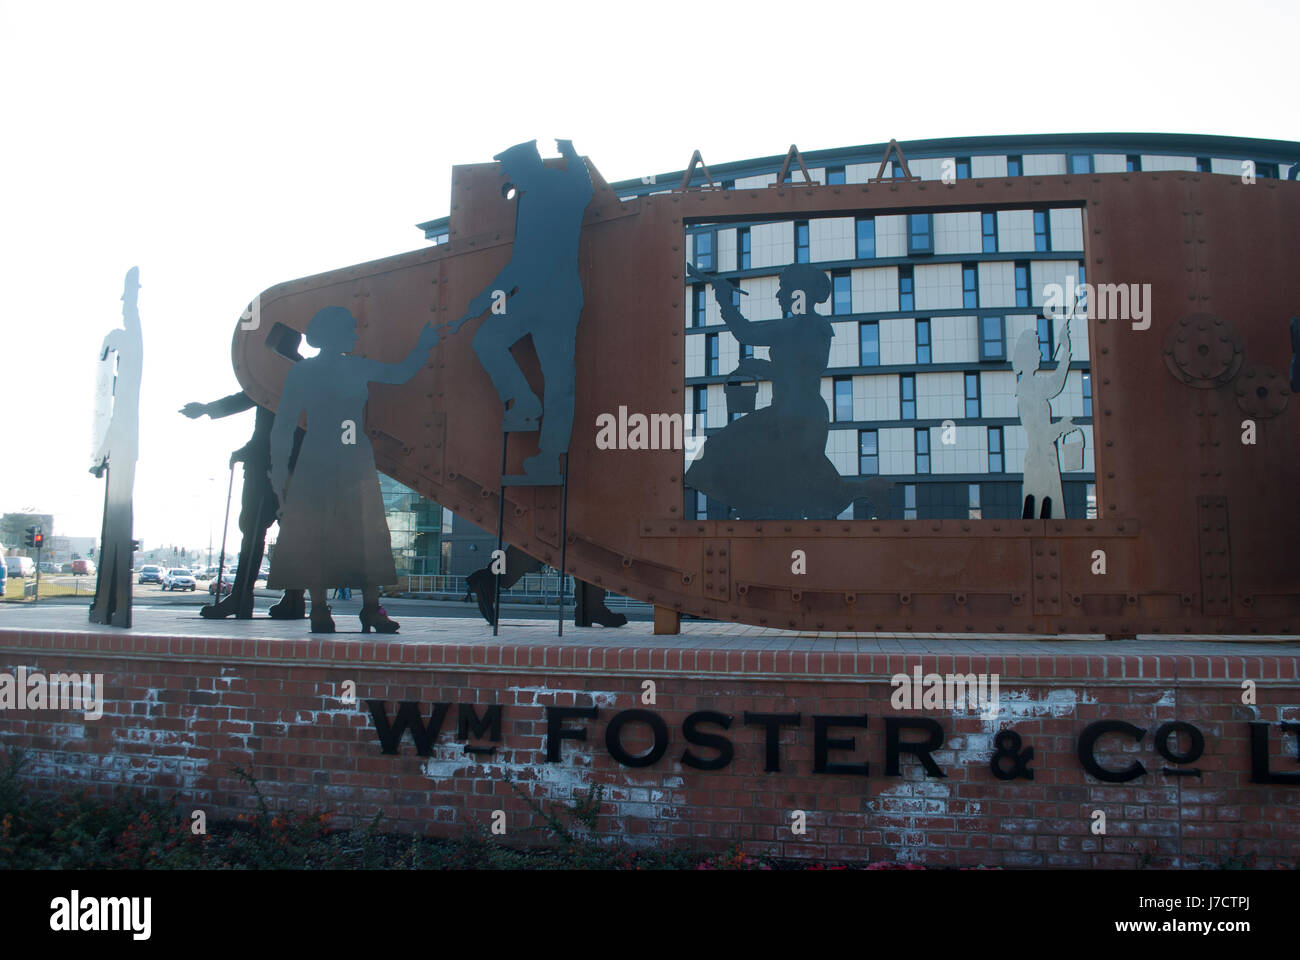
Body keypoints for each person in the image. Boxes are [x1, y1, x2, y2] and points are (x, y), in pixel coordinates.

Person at [268, 306, 438, 633]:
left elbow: (284, 426)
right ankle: (349, 609)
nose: (356, 335)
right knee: (351, 532)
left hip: (329, 455)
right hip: (340, 455)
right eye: (350, 328)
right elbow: (285, 424)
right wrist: (278, 470)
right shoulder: (329, 370)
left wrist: (423, 345)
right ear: (334, 332)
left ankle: (338, 609)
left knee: (357, 532)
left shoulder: (313, 371)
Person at [444, 139, 593, 484]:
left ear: (526, 165)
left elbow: (583, 191)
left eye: (511, 171)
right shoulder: (531, 199)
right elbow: (518, 265)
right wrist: (476, 309)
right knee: (489, 341)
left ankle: (549, 455)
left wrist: (570, 152)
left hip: (554, 298)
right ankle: (525, 403)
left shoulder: (554, 188)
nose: (509, 178)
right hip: (533, 295)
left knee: (559, 378)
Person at [683, 263, 855, 519]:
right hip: (797, 413)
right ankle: (865, 491)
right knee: (786, 481)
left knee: (719, 458)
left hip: (795, 415)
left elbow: (748, 334)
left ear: (800, 293)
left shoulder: (799, 327)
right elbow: (798, 367)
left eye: (784, 288)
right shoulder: (810, 327)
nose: (779, 296)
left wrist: (725, 301)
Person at [181, 324, 306, 620]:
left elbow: (251, 407)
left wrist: (206, 410)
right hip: (296, 466)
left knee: (253, 532)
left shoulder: (274, 373)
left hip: (268, 465)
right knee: (292, 535)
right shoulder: (302, 372)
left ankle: (242, 598)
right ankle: (292, 600)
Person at [89, 268, 144, 627]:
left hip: (122, 453)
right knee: (114, 528)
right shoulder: (124, 380)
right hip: (118, 452)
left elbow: (118, 421)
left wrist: (130, 294)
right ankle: (108, 603)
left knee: (119, 528)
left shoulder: (132, 364)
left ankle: (116, 604)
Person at [1014, 319, 1075, 519]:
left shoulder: (1036, 386)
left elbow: (1056, 383)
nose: (1040, 354)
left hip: (1045, 458)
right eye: (1036, 351)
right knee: (1043, 514)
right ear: (1027, 357)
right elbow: (1036, 432)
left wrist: (1065, 351)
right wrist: (1061, 427)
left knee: (1048, 514)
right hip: (1038, 461)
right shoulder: (1024, 390)